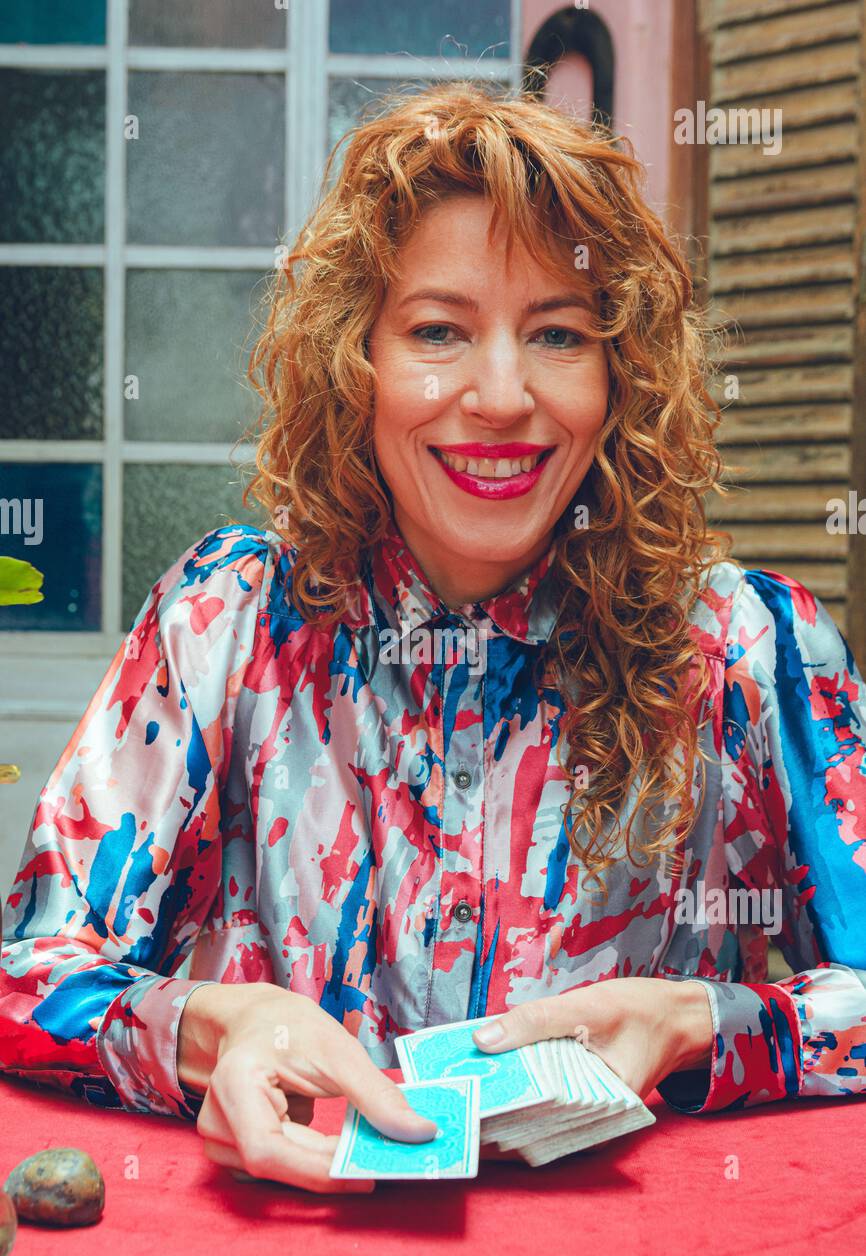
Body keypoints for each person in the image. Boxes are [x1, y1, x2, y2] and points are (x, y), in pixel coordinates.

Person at [2, 83, 865, 1196]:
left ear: (621, 376)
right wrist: (209, 1025)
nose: (499, 396)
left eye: (557, 333)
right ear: (351, 361)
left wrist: (705, 1021)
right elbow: (31, 972)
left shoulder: (753, 653)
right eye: (437, 331)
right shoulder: (221, 622)